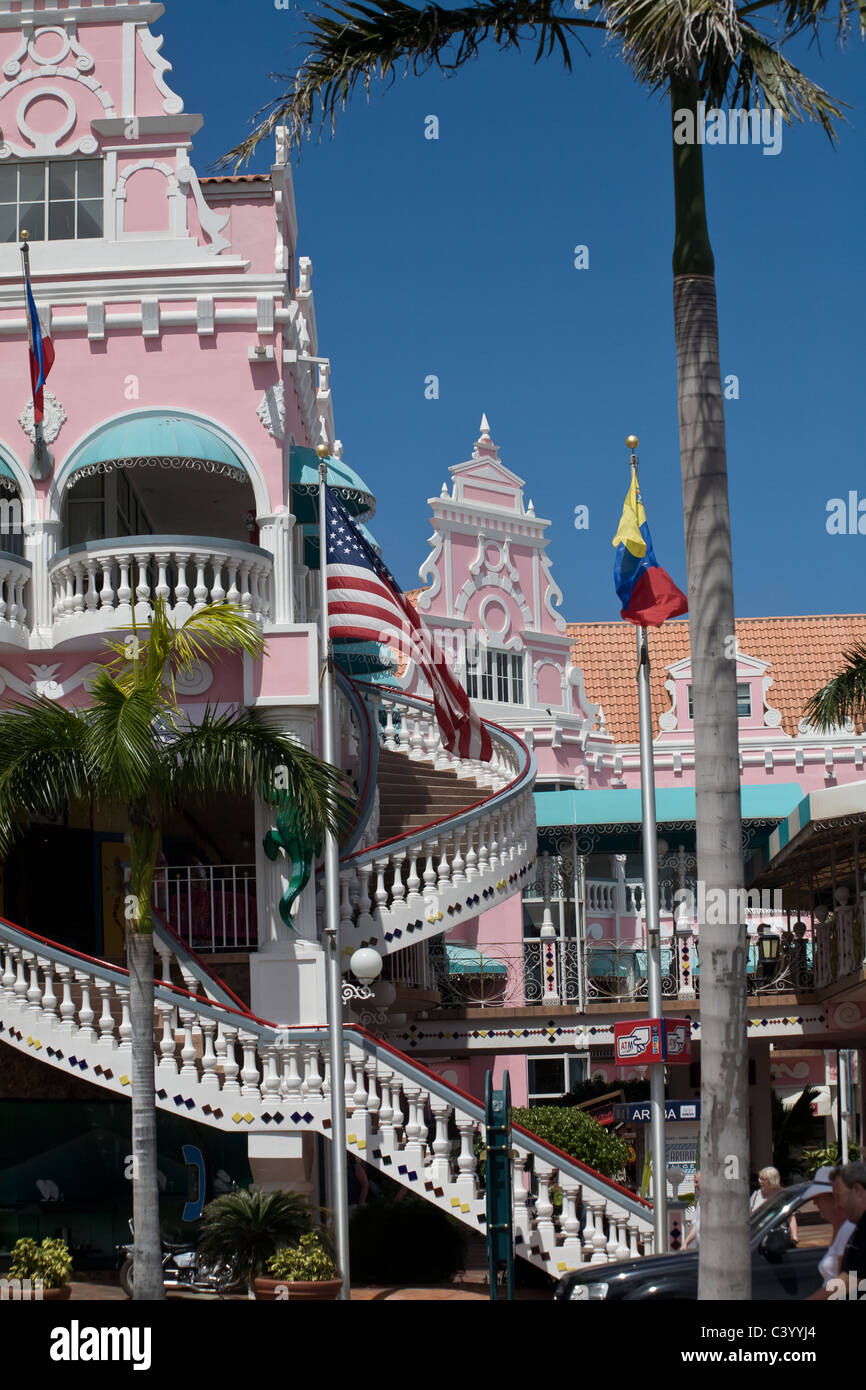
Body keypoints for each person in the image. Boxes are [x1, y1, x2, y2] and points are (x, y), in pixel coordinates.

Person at [807, 1160, 866, 1299]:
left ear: (857, 1190)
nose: (838, 1205)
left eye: (839, 1197)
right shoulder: (860, 1227)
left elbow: (851, 1279)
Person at [750, 1166, 797, 1241]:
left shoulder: (783, 1196)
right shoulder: (756, 1195)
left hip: (778, 1238)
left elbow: (791, 1218)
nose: (759, 1181)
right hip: (757, 1238)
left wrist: (794, 1237)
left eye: (763, 1179)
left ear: (772, 1180)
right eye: (759, 1178)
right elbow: (749, 1216)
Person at [681, 1170, 700, 1251]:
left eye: (697, 1182)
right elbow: (696, 1226)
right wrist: (685, 1243)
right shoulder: (700, 1201)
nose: (694, 1185)